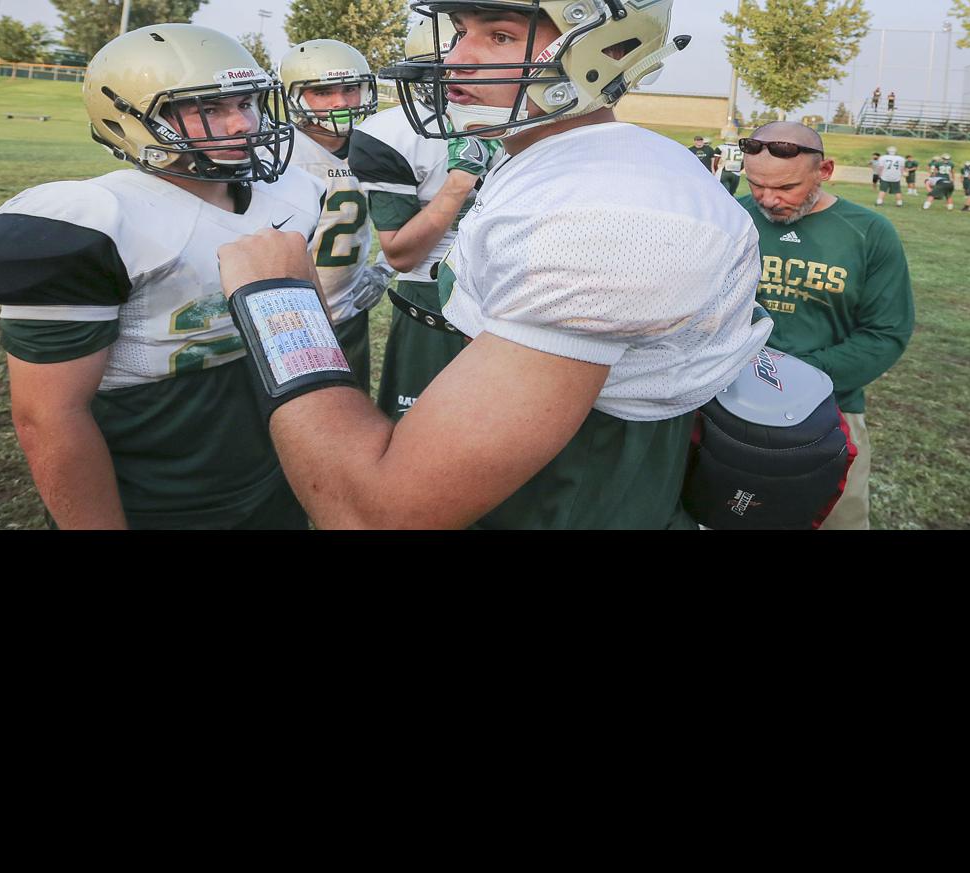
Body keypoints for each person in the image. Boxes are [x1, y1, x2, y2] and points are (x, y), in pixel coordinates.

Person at [214, 0, 774, 529]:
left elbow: (377, 514)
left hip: (567, 500)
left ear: (609, 51)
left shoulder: (610, 209)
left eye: (500, 35)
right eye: (460, 31)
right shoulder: (555, 158)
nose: (454, 57)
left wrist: (281, 303)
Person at [0, 24, 324, 529]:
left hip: (275, 467)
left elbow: (309, 331)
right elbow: (48, 416)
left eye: (246, 103)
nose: (242, 124)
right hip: (156, 490)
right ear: (132, 118)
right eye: (208, 109)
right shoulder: (88, 221)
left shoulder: (294, 193)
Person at [735, 121, 915, 530]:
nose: (768, 199)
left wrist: (796, 378)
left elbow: (885, 333)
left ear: (826, 170)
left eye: (786, 188)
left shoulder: (869, 232)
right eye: (757, 184)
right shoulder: (732, 216)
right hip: (728, 404)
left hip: (828, 411)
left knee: (835, 520)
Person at [351, 11, 503, 421]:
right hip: (432, 294)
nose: (458, 82)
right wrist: (458, 183)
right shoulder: (391, 136)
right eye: (443, 71)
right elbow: (401, 254)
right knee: (424, 430)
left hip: (512, 296)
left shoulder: (527, 121)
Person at [278, 38, 392, 391]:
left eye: (350, 89)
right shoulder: (278, 154)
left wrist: (385, 269)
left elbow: (407, 213)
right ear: (294, 96)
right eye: (323, 92)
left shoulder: (377, 145)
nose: (341, 102)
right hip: (288, 320)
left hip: (349, 313)